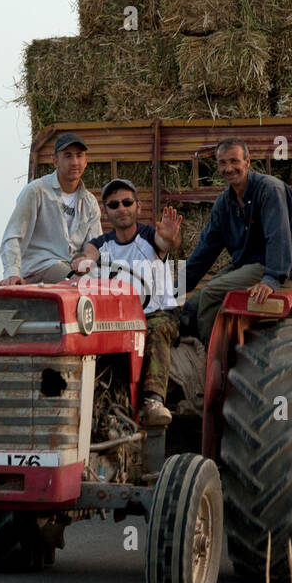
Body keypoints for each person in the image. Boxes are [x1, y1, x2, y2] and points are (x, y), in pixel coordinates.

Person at [72, 179, 183, 425]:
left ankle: (153, 400)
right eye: (113, 204)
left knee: (153, 329)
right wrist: (81, 263)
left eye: (126, 202)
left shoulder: (150, 237)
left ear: (138, 207)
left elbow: (167, 243)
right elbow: (87, 255)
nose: (121, 208)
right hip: (120, 318)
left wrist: (169, 238)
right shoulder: (101, 244)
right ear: (105, 212)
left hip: (157, 312)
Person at [184, 137, 292, 342]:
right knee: (193, 303)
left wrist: (271, 280)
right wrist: (175, 287)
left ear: (247, 162)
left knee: (211, 294)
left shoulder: (269, 190)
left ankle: (208, 359)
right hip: (246, 266)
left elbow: (279, 238)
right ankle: (186, 350)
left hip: (276, 267)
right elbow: (204, 250)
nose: (228, 168)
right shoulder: (225, 202)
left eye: (234, 161)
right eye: (222, 163)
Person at [0, 133, 102, 284]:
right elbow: (13, 236)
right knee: (83, 284)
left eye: (79, 155)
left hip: (70, 271)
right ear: (55, 161)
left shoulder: (90, 202)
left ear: (86, 161)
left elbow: (95, 245)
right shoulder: (36, 191)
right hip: (39, 267)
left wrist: (87, 259)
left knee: (106, 284)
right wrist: (12, 273)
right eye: (67, 156)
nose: (74, 162)